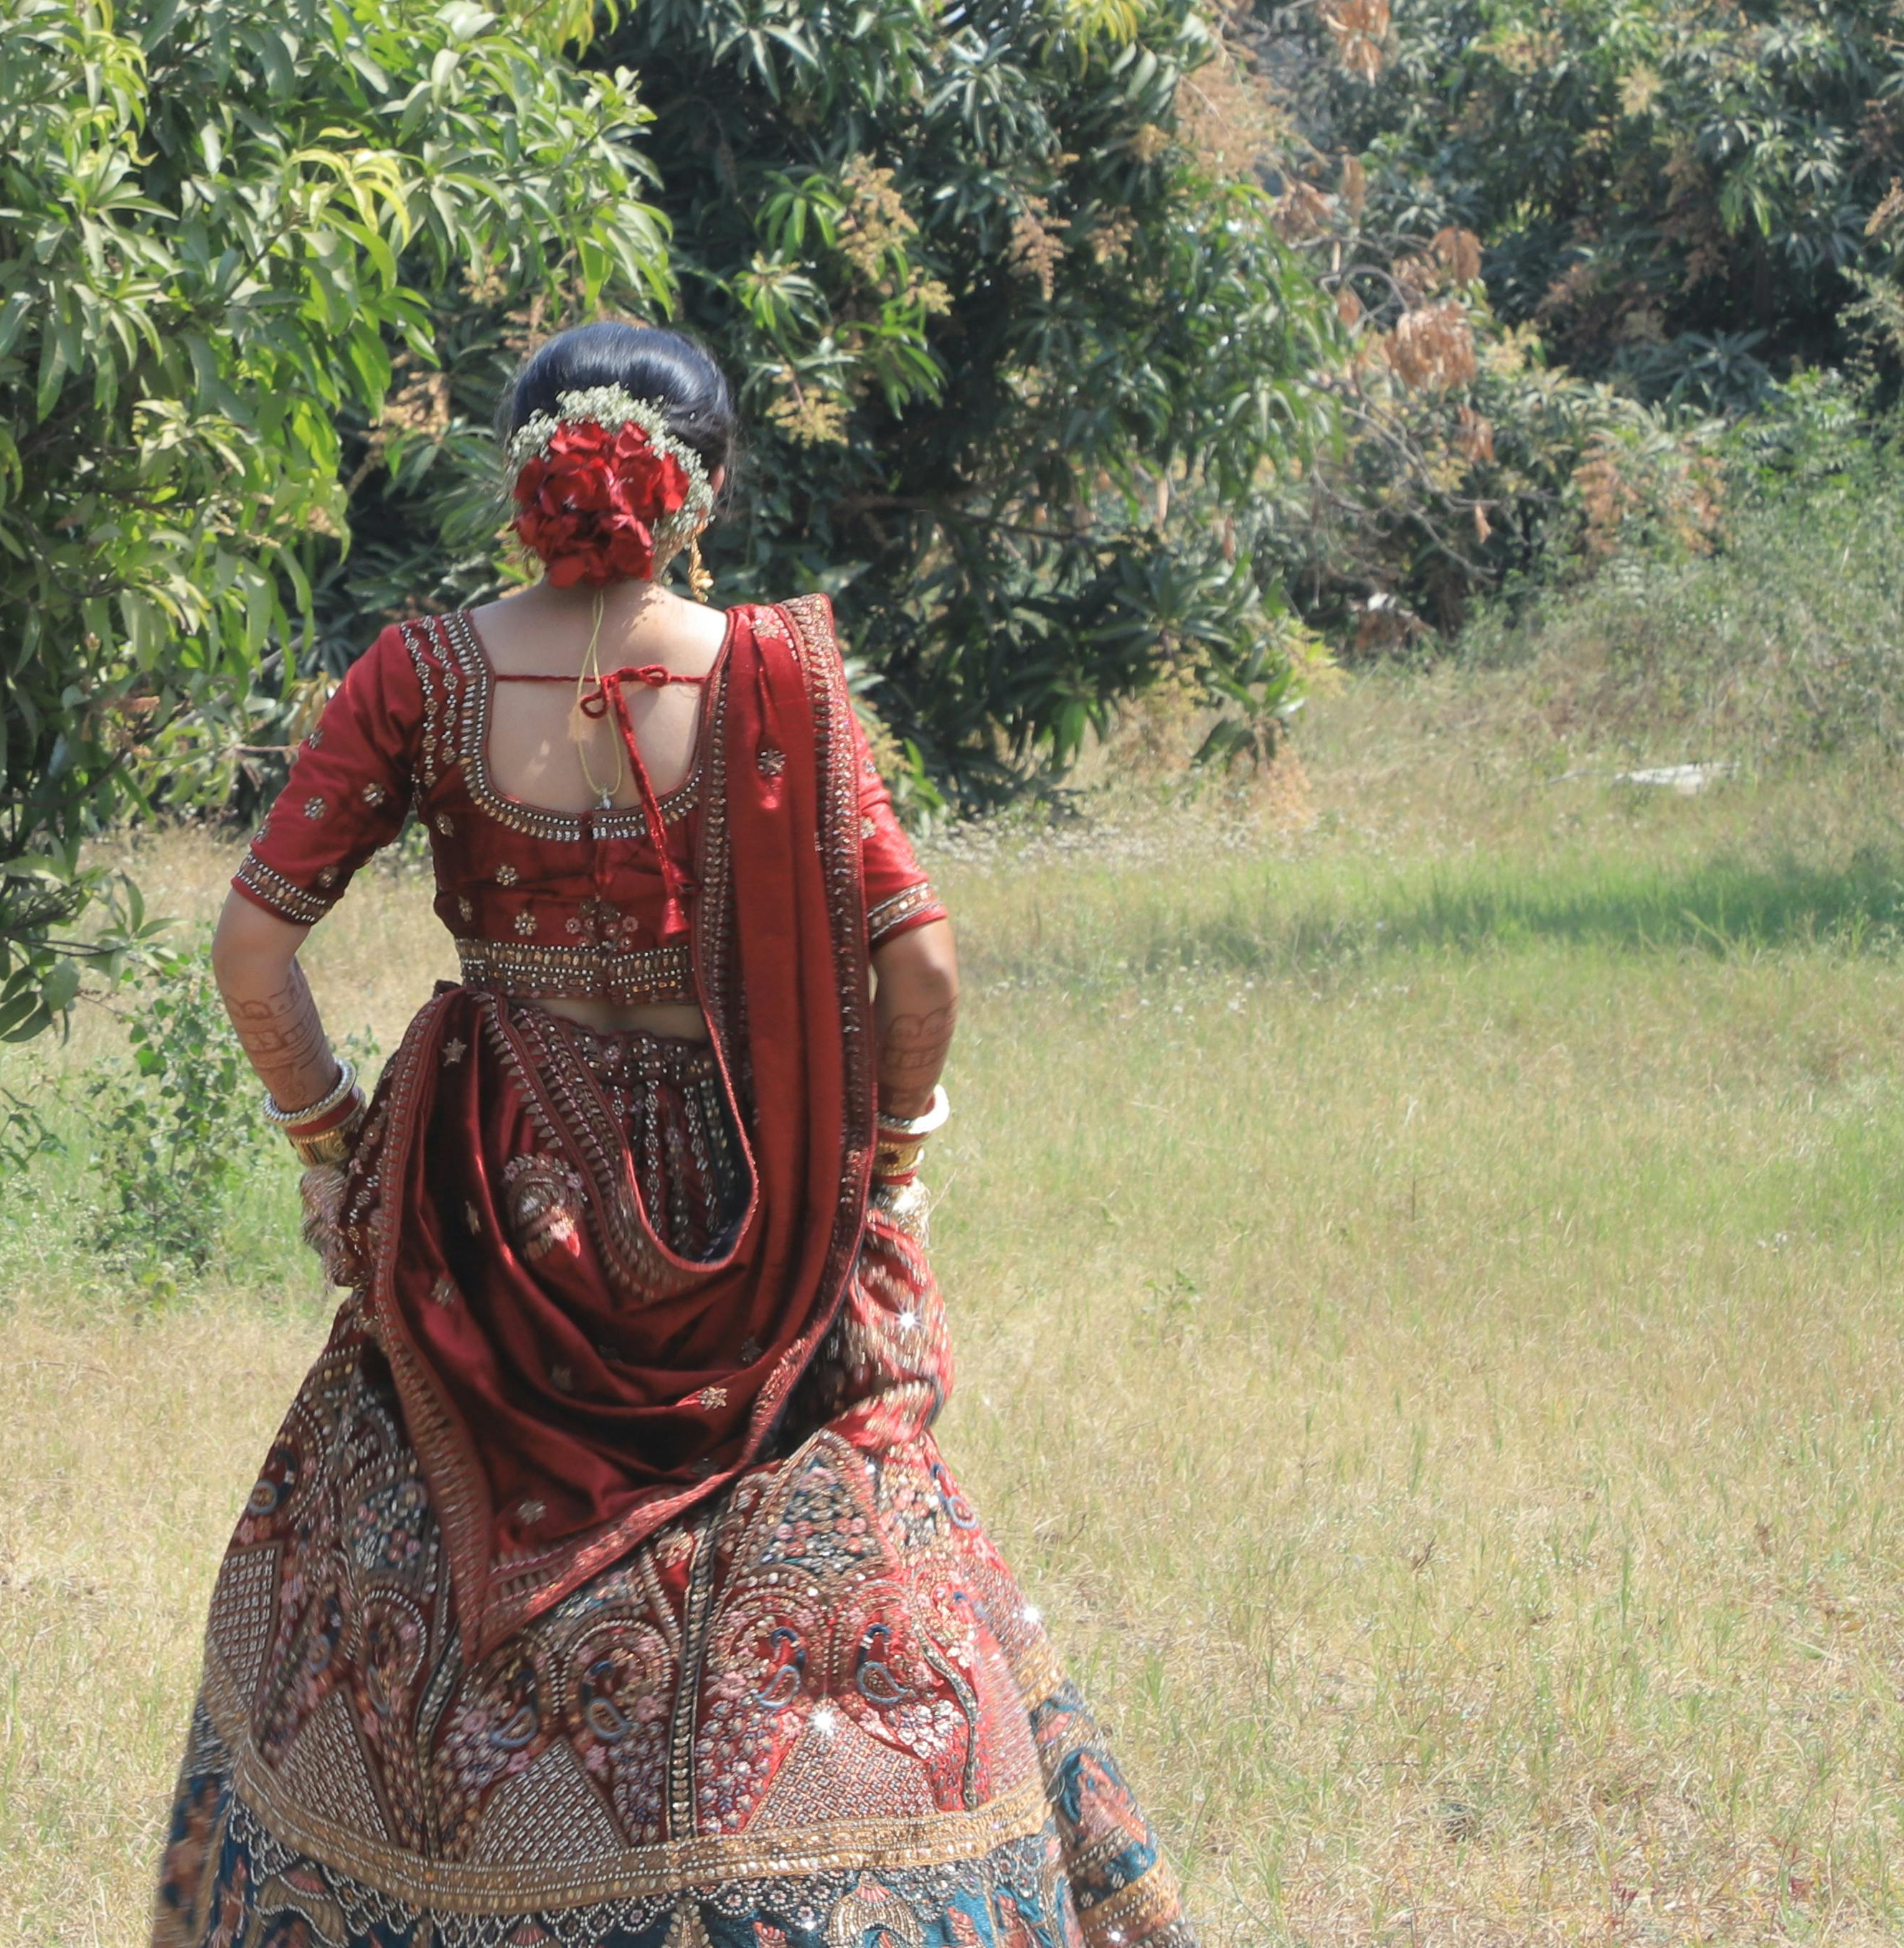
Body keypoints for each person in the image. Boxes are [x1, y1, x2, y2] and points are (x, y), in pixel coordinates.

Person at [148, 321, 1198, 1948]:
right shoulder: (775, 676)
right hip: (750, 1202)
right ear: (695, 494)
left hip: (483, 1210)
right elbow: (917, 954)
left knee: (395, 1546)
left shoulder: (421, 674)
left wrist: (337, 1145)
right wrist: (882, 1172)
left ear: (524, 472)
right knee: (837, 1519)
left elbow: (252, 945)